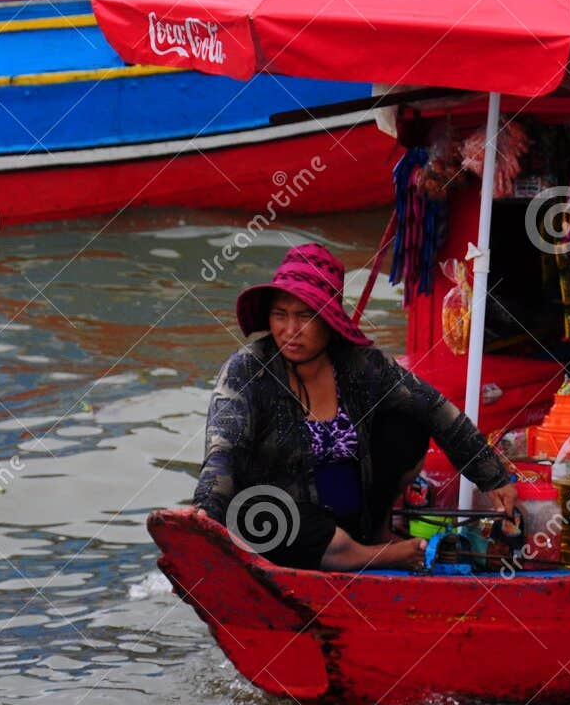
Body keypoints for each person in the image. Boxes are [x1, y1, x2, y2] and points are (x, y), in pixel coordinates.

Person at [194, 243, 518, 570]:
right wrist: (203, 518)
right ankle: (385, 555)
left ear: (329, 321)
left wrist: (493, 476)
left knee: (407, 421)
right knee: (267, 515)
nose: (290, 330)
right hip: (283, 521)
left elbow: (434, 407)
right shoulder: (247, 371)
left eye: (305, 316)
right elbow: (223, 451)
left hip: (352, 515)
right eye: (280, 315)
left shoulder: (359, 364)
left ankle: (375, 534)